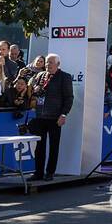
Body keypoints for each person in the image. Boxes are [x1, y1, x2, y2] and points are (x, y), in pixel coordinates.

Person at [29, 54, 74, 182]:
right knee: (39, 146)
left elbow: (69, 98)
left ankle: (50, 172)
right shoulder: (40, 75)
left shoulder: (64, 77)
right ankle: (38, 172)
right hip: (40, 116)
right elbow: (35, 92)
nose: (48, 65)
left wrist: (64, 114)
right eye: (47, 63)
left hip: (55, 117)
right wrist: (36, 89)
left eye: (51, 63)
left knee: (54, 146)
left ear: (58, 64)